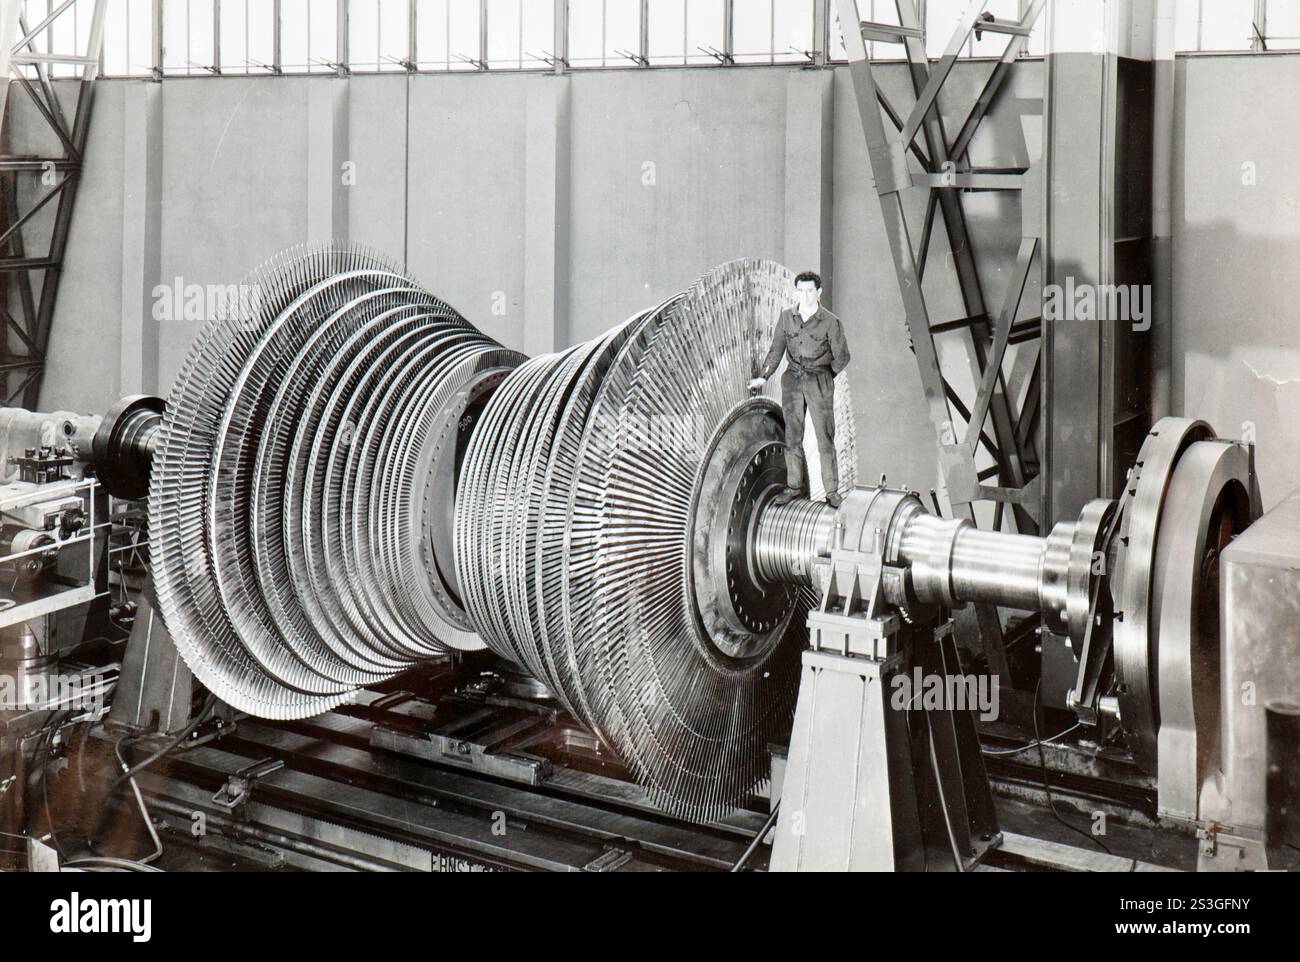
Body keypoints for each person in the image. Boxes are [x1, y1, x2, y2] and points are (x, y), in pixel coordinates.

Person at [748, 271, 850, 508]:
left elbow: (843, 357)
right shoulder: (786, 318)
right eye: (801, 291)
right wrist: (763, 378)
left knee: (825, 437)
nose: (805, 296)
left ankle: (832, 493)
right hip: (792, 381)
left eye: (810, 291)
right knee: (792, 437)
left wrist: (825, 374)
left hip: (819, 380)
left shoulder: (831, 322)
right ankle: (793, 488)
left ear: (818, 292)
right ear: (796, 292)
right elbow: (776, 350)